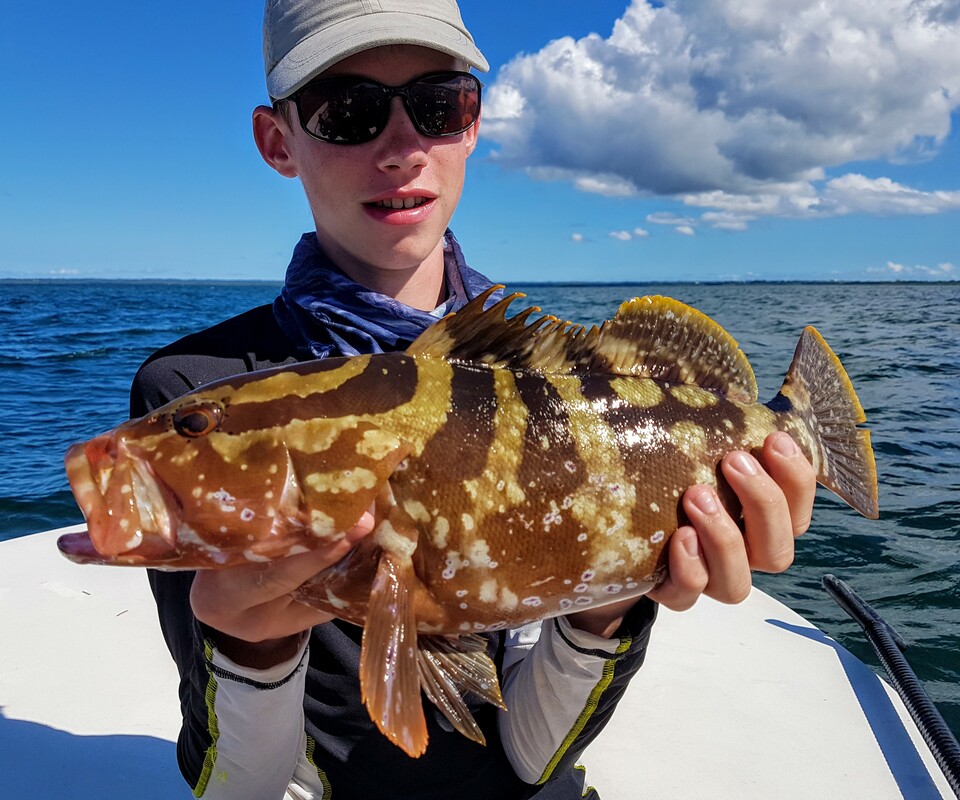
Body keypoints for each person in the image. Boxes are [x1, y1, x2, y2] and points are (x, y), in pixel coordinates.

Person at [131, 2, 817, 798]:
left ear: (472, 122)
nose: (400, 149)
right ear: (277, 141)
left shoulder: (551, 384)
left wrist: (611, 595)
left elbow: (529, 760)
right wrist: (250, 651)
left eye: (436, 104)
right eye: (346, 110)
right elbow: (244, 788)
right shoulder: (196, 400)